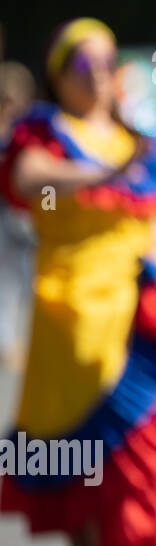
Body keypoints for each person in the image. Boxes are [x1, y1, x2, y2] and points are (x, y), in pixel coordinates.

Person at [0, 19, 156, 546]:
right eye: (86, 65)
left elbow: (149, 204)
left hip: (138, 291)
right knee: (87, 427)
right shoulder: (46, 129)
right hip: (73, 296)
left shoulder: (134, 131)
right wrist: (99, 171)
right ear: (62, 75)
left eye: (108, 63)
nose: (101, 75)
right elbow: (28, 178)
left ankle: (131, 534)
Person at [0, 60, 36, 370]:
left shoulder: (31, 131)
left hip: (29, 215)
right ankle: (7, 343)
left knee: (34, 280)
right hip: (5, 215)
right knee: (7, 282)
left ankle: (29, 340)